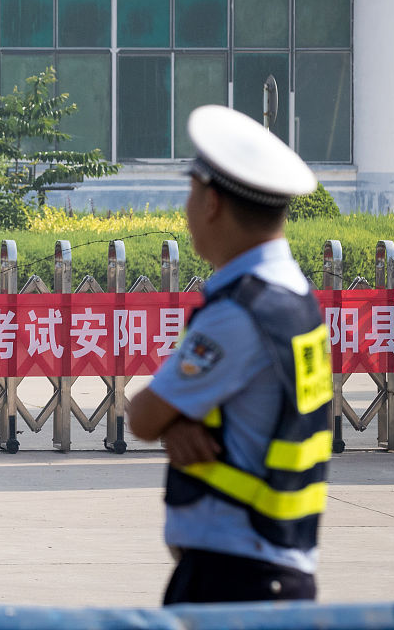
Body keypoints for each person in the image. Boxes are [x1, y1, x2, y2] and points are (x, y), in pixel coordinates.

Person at [127, 105, 331, 606]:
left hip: (237, 580)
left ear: (212, 202)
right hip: (275, 565)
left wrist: (168, 417)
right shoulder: (294, 298)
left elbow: (144, 417)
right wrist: (179, 420)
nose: (187, 209)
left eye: (190, 194)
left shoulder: (241, 312)